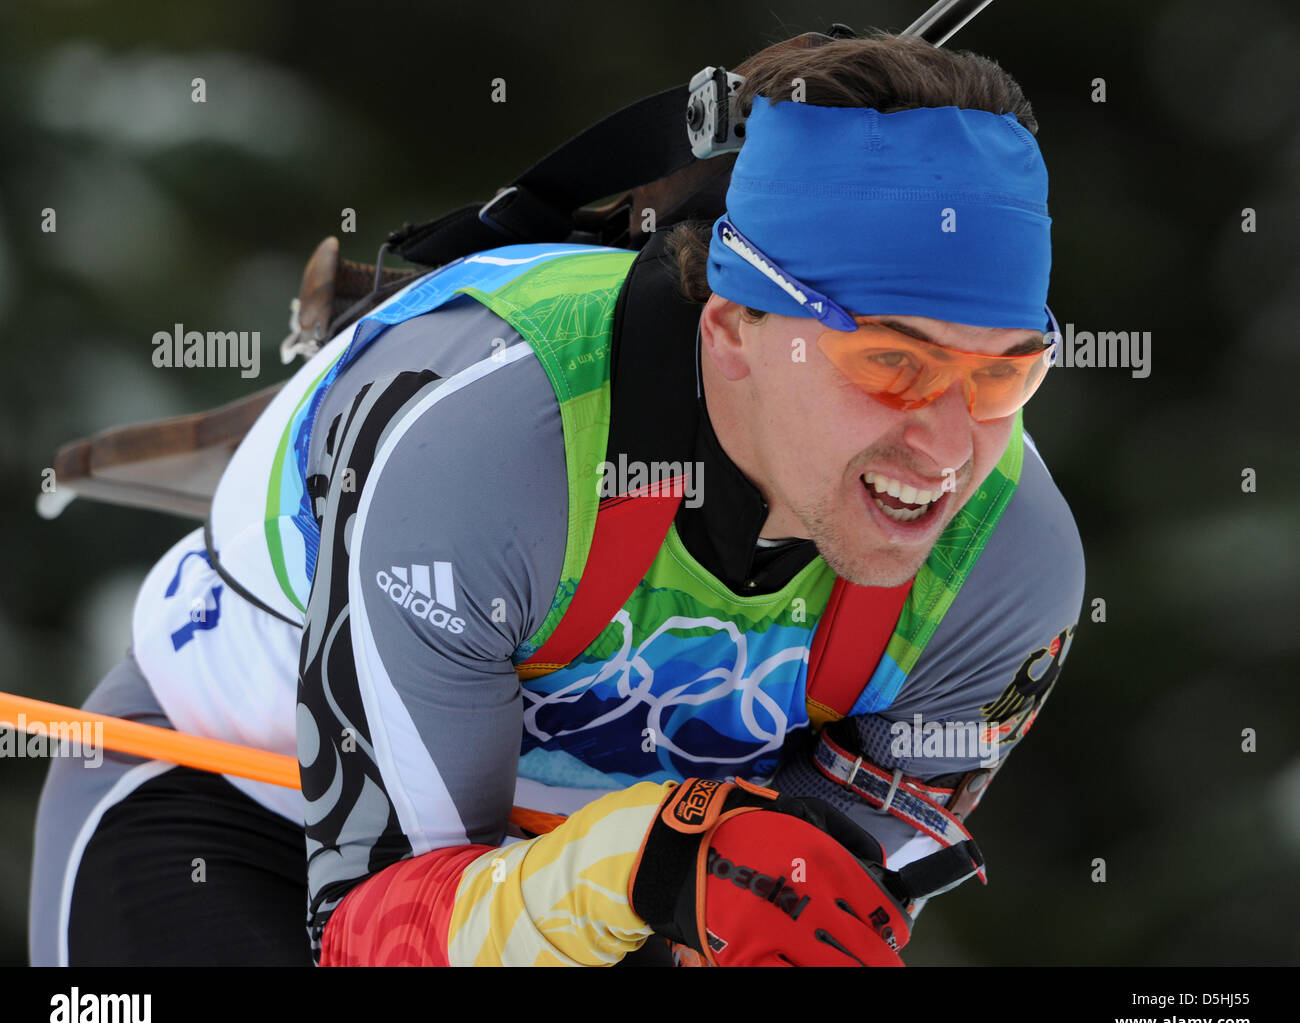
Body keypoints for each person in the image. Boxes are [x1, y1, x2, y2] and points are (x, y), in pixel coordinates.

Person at [28, 31, 1083, 967]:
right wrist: (651, 863)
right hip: (238, 818)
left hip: (609, 902)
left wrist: (689, 878)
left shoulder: (1006, 561)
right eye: (892, 366)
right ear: (732, 333)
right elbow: (376, 933)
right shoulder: (494, 446)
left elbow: (799, 903)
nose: (948, 446)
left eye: (1002, 377)